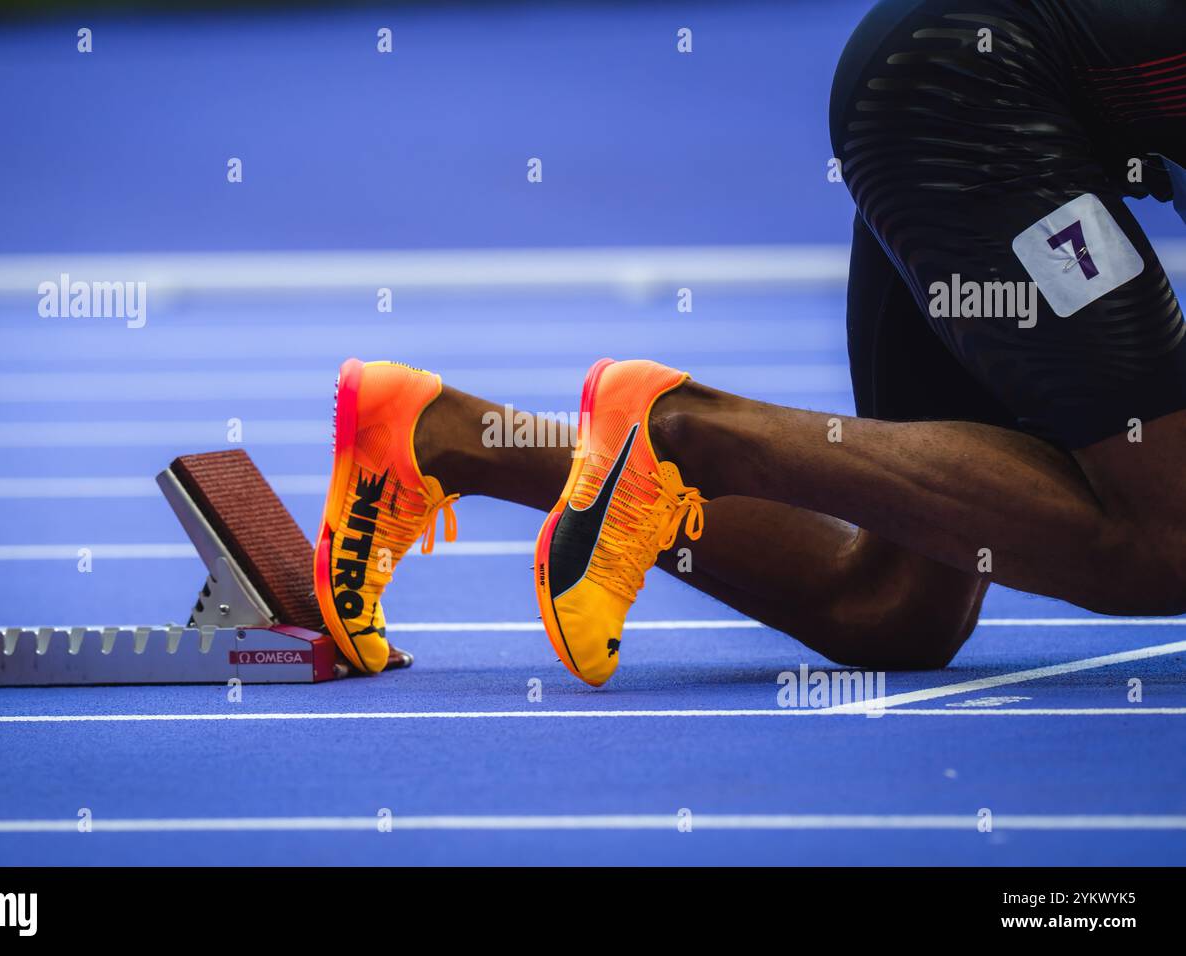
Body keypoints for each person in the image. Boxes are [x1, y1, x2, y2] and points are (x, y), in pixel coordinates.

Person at [313, 0, 1186, 686]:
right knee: (1169, 539)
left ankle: (440, 439)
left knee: (890, 609)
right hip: (970, 96)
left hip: (964, 83)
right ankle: (682, 430)